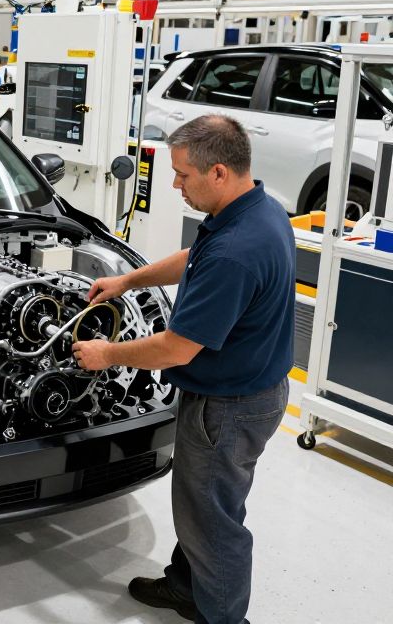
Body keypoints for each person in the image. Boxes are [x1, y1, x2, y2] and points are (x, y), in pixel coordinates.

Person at [71, 115, 294, 624]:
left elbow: (176, 349)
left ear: (218, 172)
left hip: (230, 408)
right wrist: (129, 280)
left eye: (182, 175)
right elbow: (196, 256)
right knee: (201, 506)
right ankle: (186, 587)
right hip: (248, 387)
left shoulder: (238, 252)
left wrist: (106, 354)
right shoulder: (257, 211)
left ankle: (225, 618)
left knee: (215, 520)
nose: (174, 185)